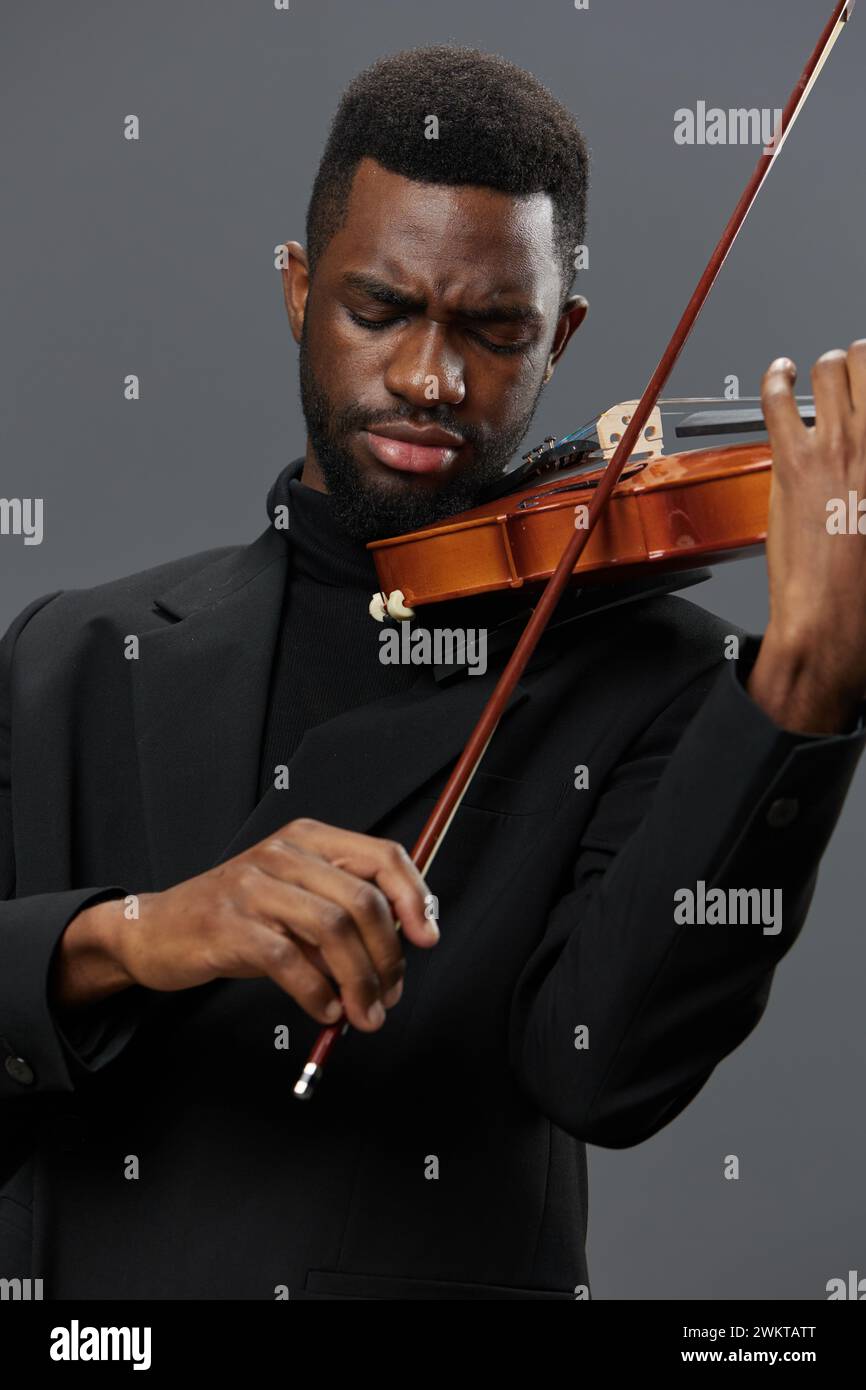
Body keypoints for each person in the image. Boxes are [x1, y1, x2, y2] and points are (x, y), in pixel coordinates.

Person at [1, 45, 864, 1302]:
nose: (428, 379)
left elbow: (604, 1070)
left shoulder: (672, 689)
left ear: (559, 335)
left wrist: (805, 679)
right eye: (380, 309)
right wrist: (140, 932)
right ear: (299, 292)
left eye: (492, 330)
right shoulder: (72, 656)